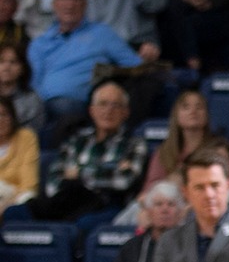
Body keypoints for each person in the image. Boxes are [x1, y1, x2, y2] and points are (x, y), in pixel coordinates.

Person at [13, 79, 147, 224]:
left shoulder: (134, 144)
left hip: (106, 205)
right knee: (15, 212)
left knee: (83, 223)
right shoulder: (75, 141)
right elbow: (54, 184)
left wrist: (78, 174)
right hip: (67, 201)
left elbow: (123, 180)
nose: (109, 110)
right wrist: (108, 170)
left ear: (126, 112)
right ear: (91, 110)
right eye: (102, 104)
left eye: (116, 105)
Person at [30, 0, 145, 123]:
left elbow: (136, 66)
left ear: (85, 4)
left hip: (77, 105)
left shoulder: (102, 34)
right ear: (54, 4)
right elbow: (33, 81)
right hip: (41, 106)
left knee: (62, 107)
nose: (70, 5)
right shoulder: (40, 42)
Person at [144, 88, 226, 190]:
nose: (193, 111)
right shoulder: (164, 152)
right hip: (170, 202)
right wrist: (169, 181)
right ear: (176, 115)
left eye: (199, 107)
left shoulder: (219, 150)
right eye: (186, 107)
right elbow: (150, 188)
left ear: (207, 115)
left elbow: (227, 182)